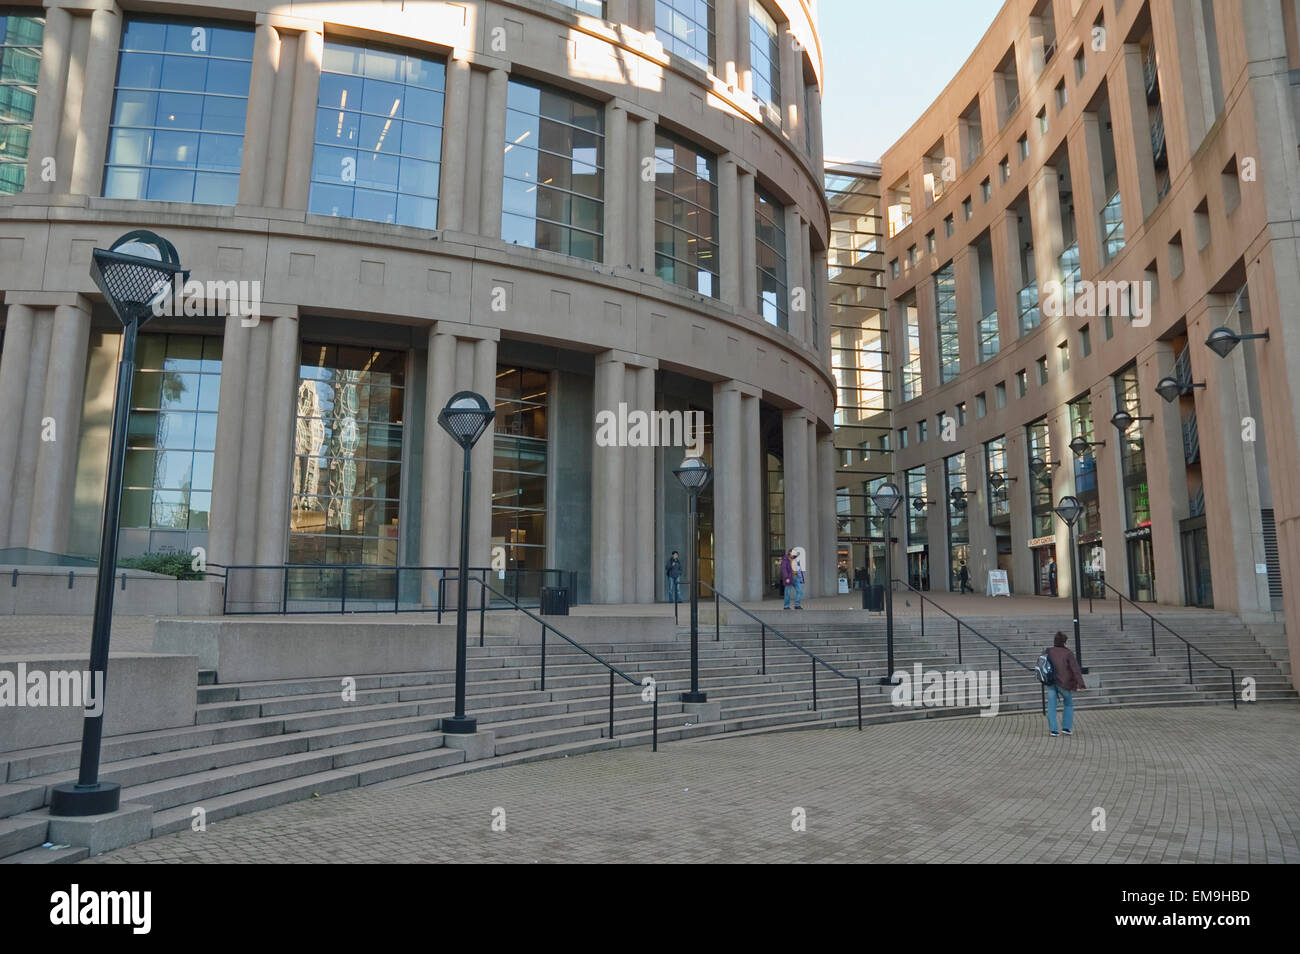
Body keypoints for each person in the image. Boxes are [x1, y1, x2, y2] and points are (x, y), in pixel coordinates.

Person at [1044, 631, 1086, 737]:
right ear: (1064, 642)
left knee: (1051, 706)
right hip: (1064, 683)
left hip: (1050, 682)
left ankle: (1053, 730)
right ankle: (1066, 728)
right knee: (1068, 704)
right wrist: (1081, 683)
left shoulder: (1047, 651)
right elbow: (1075, 669)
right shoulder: (1068, 653)